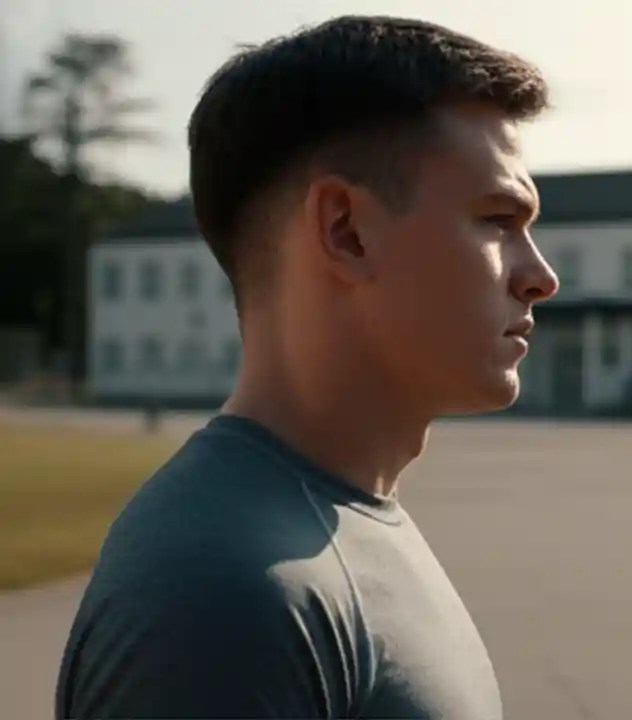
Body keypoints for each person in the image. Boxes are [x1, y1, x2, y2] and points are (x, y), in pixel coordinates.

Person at [56, 15, 558, 719]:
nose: (540, 277)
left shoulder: (329, 524)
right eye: (498, 221)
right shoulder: (222, 595)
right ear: (345, 230)